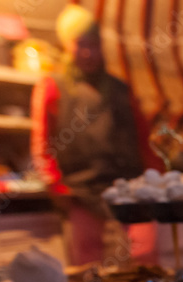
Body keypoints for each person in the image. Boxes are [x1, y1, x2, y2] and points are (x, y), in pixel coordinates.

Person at [31, 5, 150, 265]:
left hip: (128, 188)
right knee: (89, 266)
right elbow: (42, 143)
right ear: (66, 45)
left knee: (144, 255)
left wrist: (152, 178)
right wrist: (55, 184)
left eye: (94, 45)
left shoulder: (120, 89)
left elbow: (142, 138)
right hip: (81, 191)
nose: (88, 53)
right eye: (80, 44)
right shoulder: (53, 87)